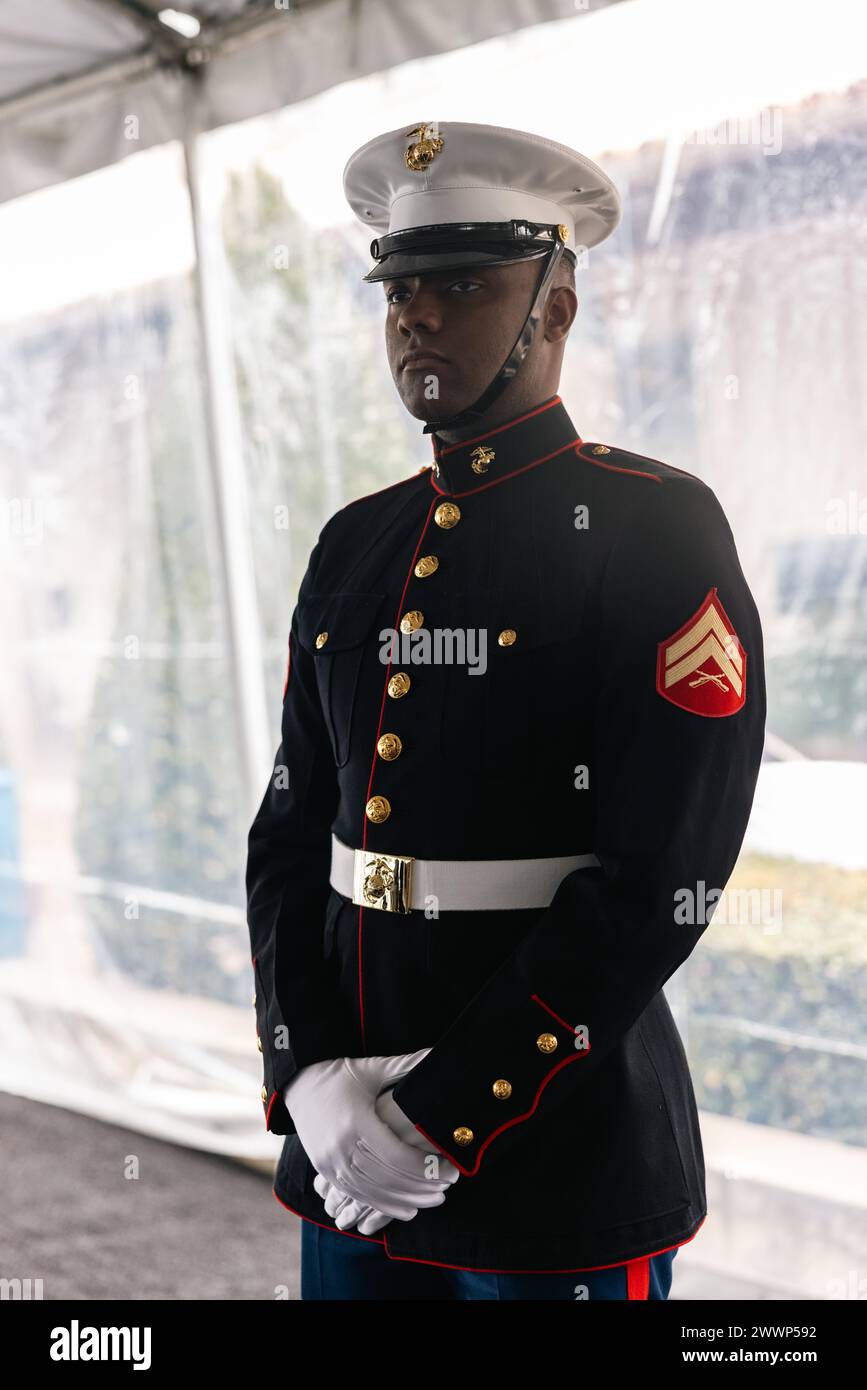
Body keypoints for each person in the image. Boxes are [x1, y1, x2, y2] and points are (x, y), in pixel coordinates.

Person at [246, 120, 767, 1300]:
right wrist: (311, 1077)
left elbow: (660, 879)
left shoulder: (654, 527)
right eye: (399, 291)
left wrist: (438, 1115)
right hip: (345, 1162)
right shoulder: (353, 543)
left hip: (557, 1158)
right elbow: (288, 835)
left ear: (556, 309)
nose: (417, 317)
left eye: (465, 286)